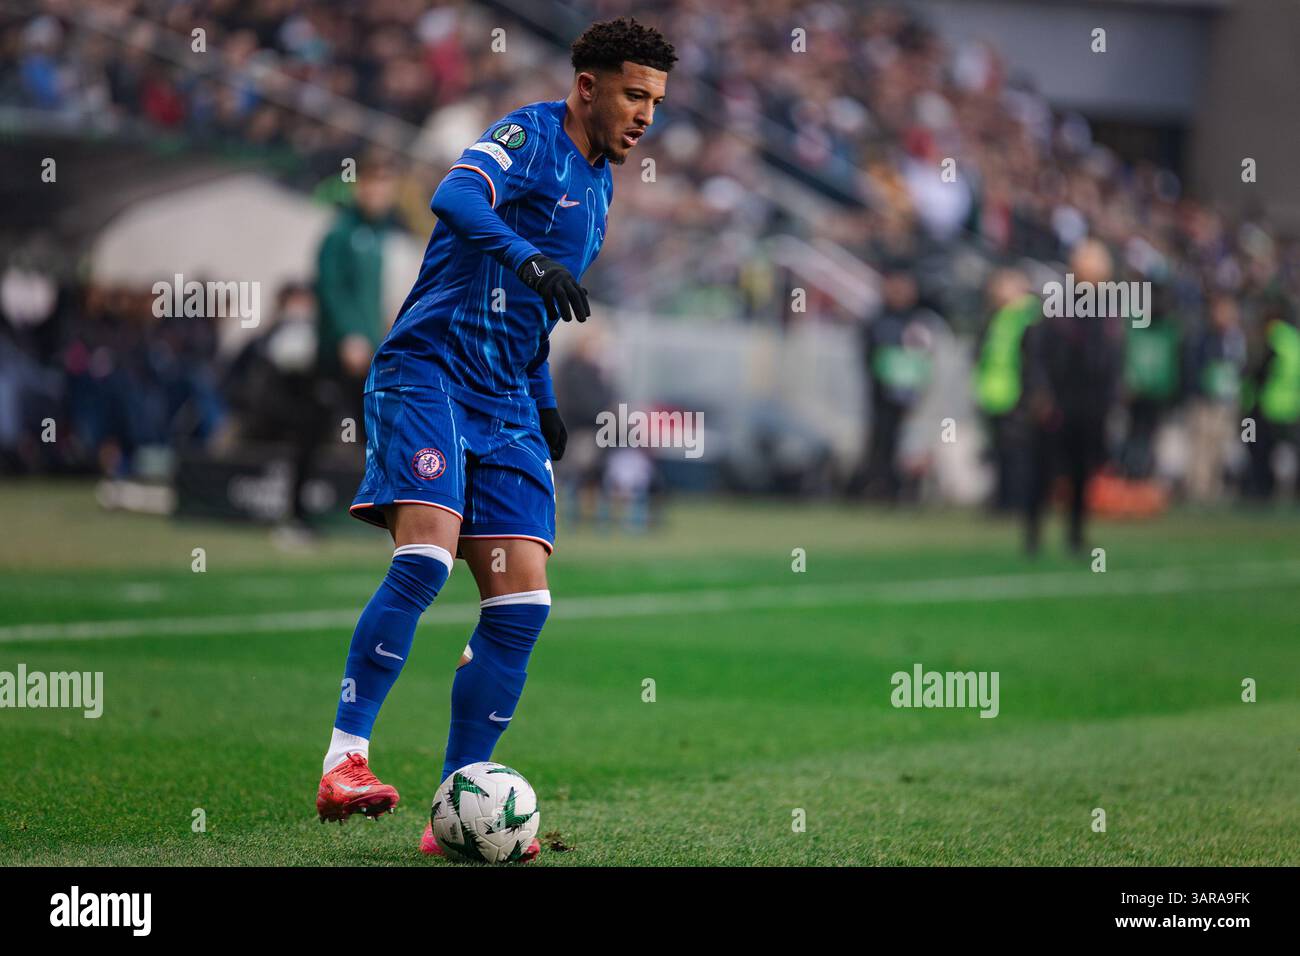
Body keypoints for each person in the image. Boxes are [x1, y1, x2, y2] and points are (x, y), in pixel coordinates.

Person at [313, 17, 676, 862]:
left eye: (655, 101)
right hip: (431, 370)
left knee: (522, 603)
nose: (645, 116)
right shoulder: (531, 131)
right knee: (429, 555)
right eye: (633, 94)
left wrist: (544, 397)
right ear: (587, 86)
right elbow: (453, 197)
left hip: (509, 396)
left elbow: (534, 310)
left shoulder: (600, 188)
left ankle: (457, 808)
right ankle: (345, 762)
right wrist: (526, 259)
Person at [1023, 239, 1123, 555]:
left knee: (1082, 474)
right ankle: (1034, 536)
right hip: (1057, 403)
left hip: (1090, 406)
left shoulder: (1108, 313)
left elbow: (1112, 359)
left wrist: (1111, 396)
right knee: (1043, 472)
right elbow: (1036, 354)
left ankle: (1076, 536)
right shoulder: (1056, 308)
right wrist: (1041, 394)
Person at [973, 268, 1038, 511]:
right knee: (1000, 451)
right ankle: (1003, 499)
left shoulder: (1029, 317)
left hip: (1017, 395)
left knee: (1017, 451)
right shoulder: (997, 317)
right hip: (996, 395)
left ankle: (1016, 500)